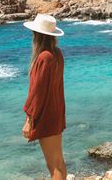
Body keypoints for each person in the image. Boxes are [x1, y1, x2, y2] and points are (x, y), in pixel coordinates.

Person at [22, 13, 67, 180]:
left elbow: (36, 92)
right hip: (56, 113)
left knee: (54, 165)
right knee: (58, 162)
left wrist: (29, 120)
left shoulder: (43, 58)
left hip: (46, 116)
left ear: (37, 35)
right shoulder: (57, 54)